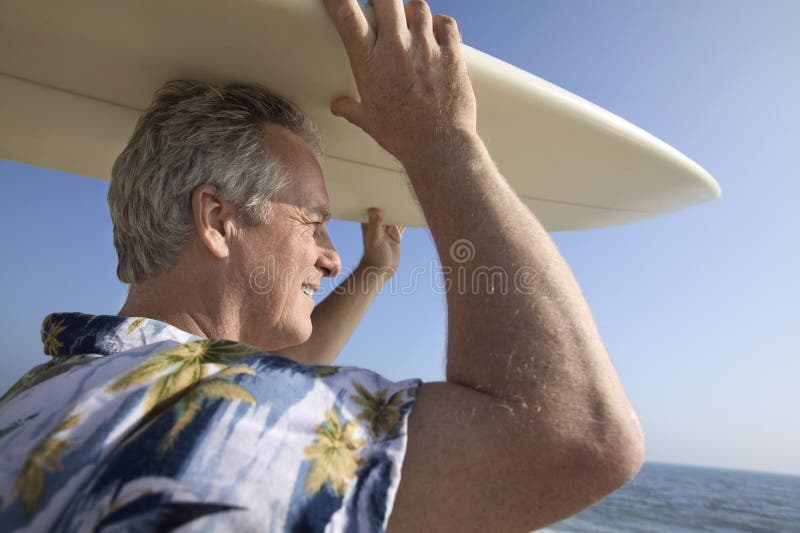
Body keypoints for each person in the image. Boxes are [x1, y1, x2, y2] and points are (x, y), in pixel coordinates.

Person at [0, 0, 644, 531]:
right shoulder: (215, 422)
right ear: (219, 221)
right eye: (312, 221)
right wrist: (444, 144)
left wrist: (375, 270)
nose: (331, 256)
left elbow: (258, 370)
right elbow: (578, 439)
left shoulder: (57, 390)